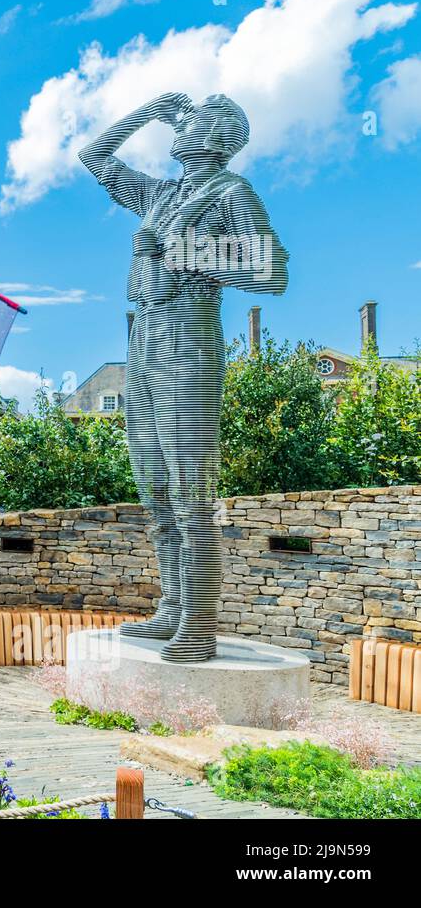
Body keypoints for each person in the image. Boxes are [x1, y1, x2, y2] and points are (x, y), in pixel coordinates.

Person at [79, 93, 288, 662]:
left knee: (192, 491)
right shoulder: (163, 190)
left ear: (217, 140)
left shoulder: (232, 192)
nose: (181, 124)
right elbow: (94, 156)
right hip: (144, 339)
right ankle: (173, 607)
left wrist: (184, 249)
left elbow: (272, 269)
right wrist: (146, 109)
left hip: (190, 346)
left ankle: (198, 621)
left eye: (192, 120)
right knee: (154, 487)